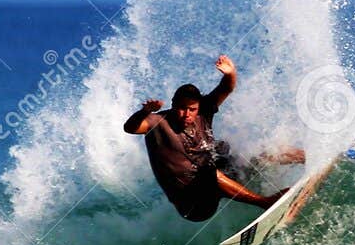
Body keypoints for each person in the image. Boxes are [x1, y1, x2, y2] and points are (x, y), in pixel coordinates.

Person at [123, 55, 297, 222]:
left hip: (214, 180)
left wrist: (230, 74)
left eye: (192, 109)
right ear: (173, 104)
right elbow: (130, 128)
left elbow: (225, 89)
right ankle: (265, 202)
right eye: (182, 108)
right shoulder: (157, 122)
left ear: (198, 107)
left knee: (254, 156)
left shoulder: (203, 112)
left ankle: (309, 157)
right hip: (192, 204)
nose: (186, 115)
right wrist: (145, 111)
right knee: (210, 174)